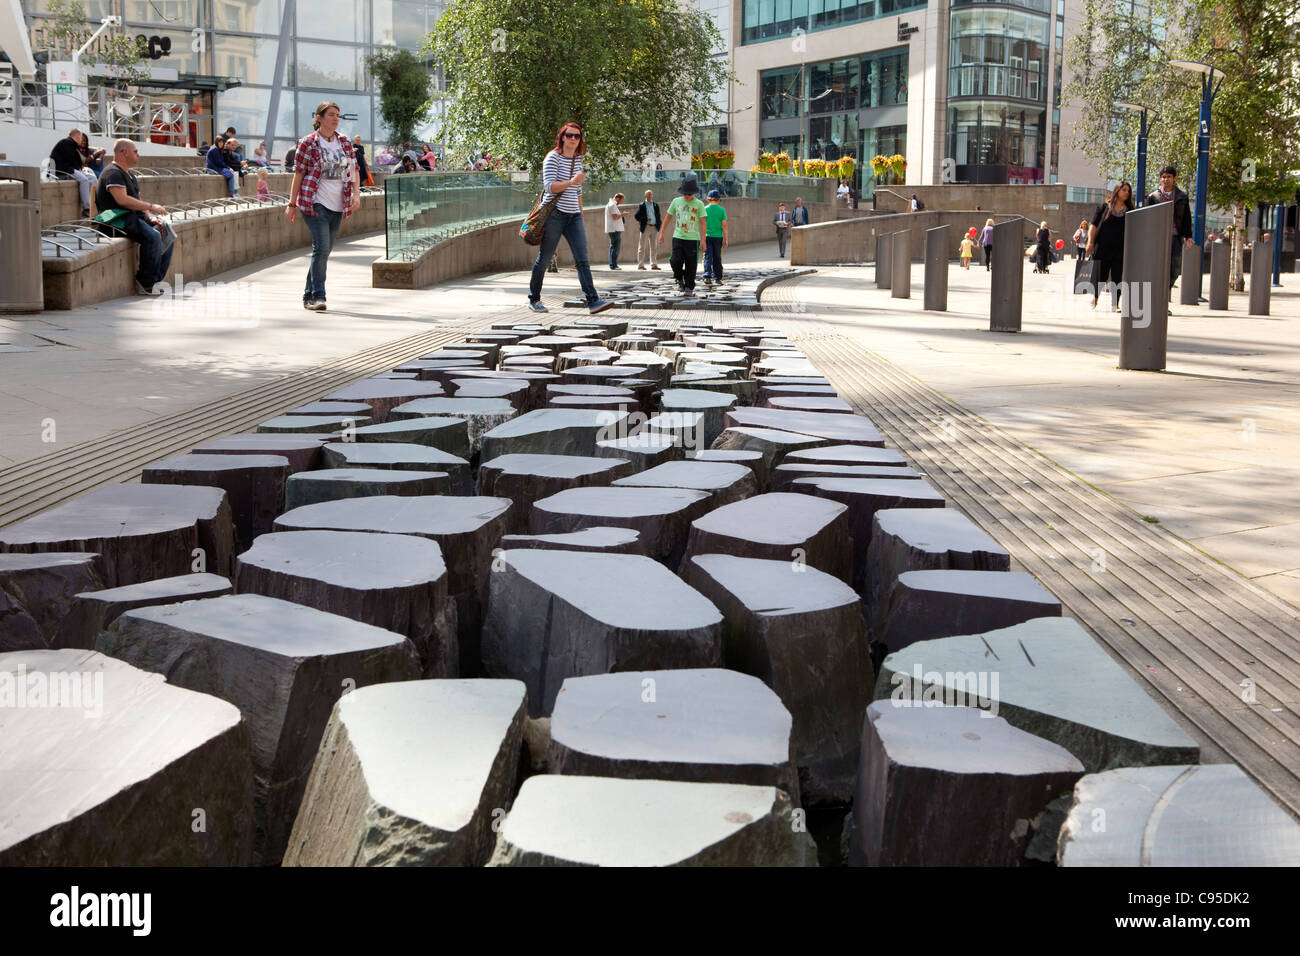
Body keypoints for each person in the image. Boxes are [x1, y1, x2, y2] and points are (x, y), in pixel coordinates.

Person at [526, 122, 612, 314]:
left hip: (573, 216)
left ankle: (593, 301)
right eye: (570, 135)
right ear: (562, 137)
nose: (573, 139)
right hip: (554, 215)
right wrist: (572, 182)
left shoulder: (578, 158)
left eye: (577, 136)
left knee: (582, 259)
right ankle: (534, 299)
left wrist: (580, 212)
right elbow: (549, 186)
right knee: (545, 258)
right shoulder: (552, 157)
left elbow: (578, 190)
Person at [286, 100, 360, 312]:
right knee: (322, 248)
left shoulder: (344, 142)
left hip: (339, 203)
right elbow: (299, 173)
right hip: (314, 201)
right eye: (331, 115)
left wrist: (356, 194)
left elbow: (354, 170)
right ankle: (319, 296)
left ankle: (308, 295)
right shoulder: (308, 143)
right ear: (319, 118)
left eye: (338, 115)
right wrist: (292, 203)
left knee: (323, 251)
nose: (336, 118)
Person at [95, 139, 175, 296]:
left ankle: (155, 279)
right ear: (124, 152)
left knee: (167, 234)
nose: (138, 154)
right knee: (153, 236)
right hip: (116, 219)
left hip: (132, 217)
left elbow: (137, 200)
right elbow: (122, 200)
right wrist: (151, 207)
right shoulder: (113, 173)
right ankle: (146, 282)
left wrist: (150, 217)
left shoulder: (129, 175)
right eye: (135, 151)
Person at [1144, 165, 1194, 299]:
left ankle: (1164, 294)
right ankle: (1158, 299)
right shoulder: (1153, 197)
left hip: (1175, 237)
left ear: (1174, 178)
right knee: (1157, 269)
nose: (1166, 179)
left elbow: (1186, 218)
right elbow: (1146, 218)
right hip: (1157, 238)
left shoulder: (1181, 197)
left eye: (1169, 177)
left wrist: (1188, 236)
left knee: (1175, 269)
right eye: (1164, 177)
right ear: (1160, 179)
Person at [1085, 180, 1135, 312]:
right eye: (1124, 190)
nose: (1126, 193)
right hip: (1102, 247)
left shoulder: (1130, 210)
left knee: (1117, 276)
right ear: (1117, 191)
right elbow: (1093, 225)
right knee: (1100, 275)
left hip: (1120, 249)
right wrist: (1090, 242)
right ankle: (1095, 298)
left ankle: (1115, 304)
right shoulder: (1104, 207)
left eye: (1128, 191)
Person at [659, 176, 705, 294]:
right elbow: (668, 217)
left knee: (691, 264)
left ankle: (689, 286)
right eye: (685, 194)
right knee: (675, 260)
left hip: (693, 239)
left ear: (693, 193)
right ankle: (679, 278)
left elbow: (703, 222)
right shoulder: (676, 201)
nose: (686, 196)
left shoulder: (699, 204)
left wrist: (703, 240)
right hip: (678, 237)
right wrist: (662, 233)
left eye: (689, 194)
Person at [50, 128, 97, 218]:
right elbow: (69, 158)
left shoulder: (71, 144)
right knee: (84, 180)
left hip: (70, 169)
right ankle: (87, 208)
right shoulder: (66, 142)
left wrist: (79, 168)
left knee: (93, 178)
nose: (81, 140)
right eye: (81, 138)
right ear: (77, 137)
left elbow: (76, 160)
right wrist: (78, 168)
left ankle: (94, 204)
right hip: (63, 170)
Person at [702, 189, 728, 283]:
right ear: (719, 199)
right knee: (717, 256)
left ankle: (707, 276)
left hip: (707, 236)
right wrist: (726, 239)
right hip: (718, 237)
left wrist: (701, 239)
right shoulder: (722, 210)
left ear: (708, 199)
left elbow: (702, 224)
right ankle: (718, 277)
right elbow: (724, 225)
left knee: (708, 256)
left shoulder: (704, 209)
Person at [633, 189, 662, 270]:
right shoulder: (642, 205)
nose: (650, 196)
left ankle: (654, 264)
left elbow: (658, 215)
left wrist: (659, 224)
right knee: (642, 247)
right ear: (645, 196)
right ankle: (641, 265)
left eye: (651, 194)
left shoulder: (655, 205)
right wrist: (645, 218)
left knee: (654, 247)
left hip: (654, 227)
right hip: (645, 227)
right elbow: (637, 216)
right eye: (648, 195)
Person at [604, 192, 627, 269]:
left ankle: (612, 264)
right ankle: (614, 265)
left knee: (613, 247)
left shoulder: (611, 204)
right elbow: (615, 217)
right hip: (615, 229)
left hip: (613, 229)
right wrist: (623, 215)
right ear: (617, 198)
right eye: (621, 201)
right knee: (615, 247)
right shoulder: (612, 205)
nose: (621, 203)